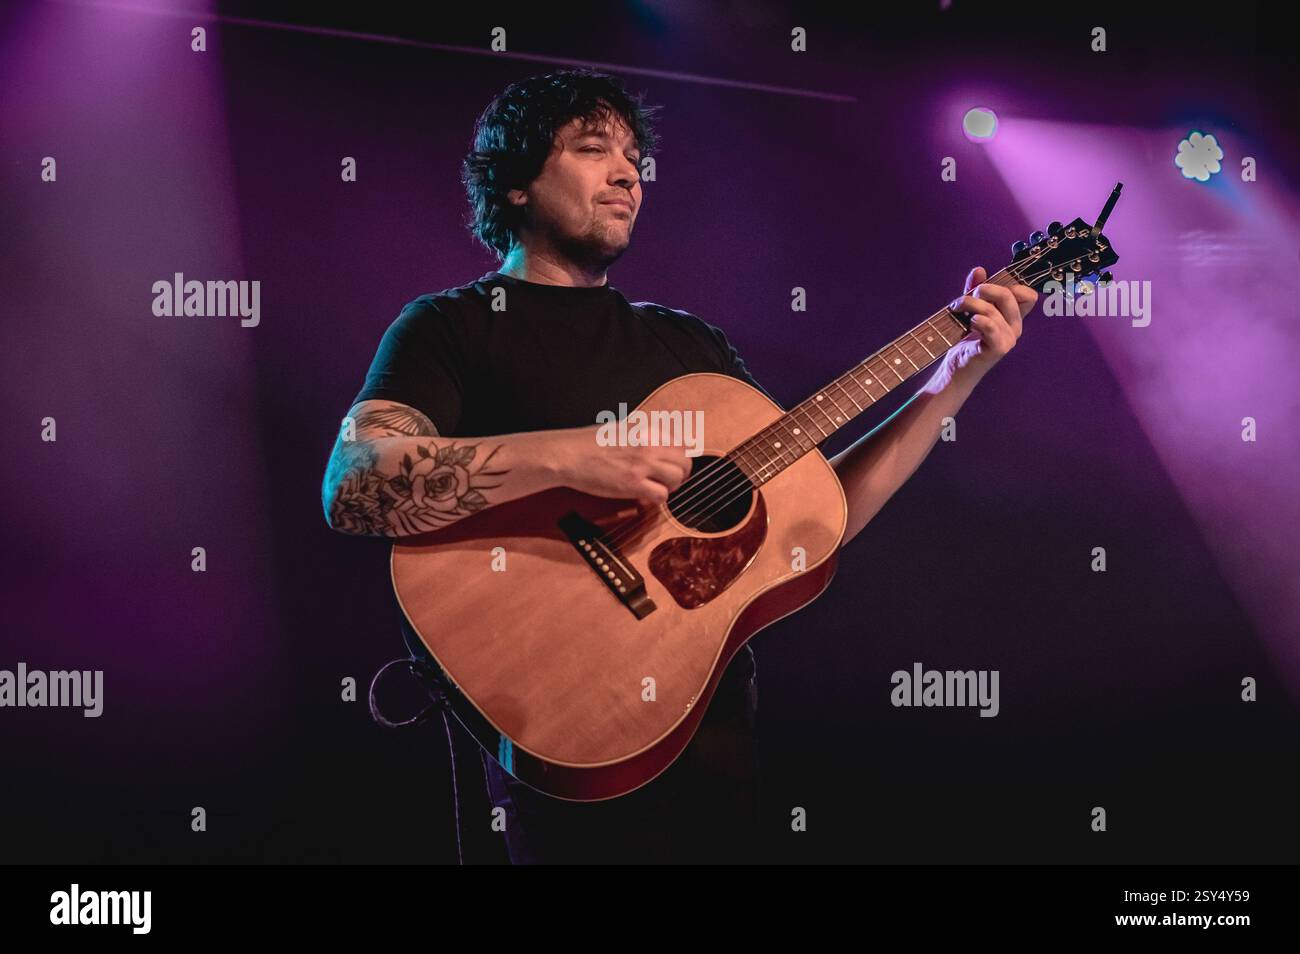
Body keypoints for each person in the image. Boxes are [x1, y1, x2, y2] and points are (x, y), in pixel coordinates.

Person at [321, 68, 1037, 864]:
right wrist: (576, 456)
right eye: (594, 150)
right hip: (564, 734)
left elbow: (814, 518)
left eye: (634, 156)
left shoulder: (691, 347)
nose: (629, 172)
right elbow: (355, 483)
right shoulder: (449, 327)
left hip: (717, 755)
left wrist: (955, 374)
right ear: (515, 183)